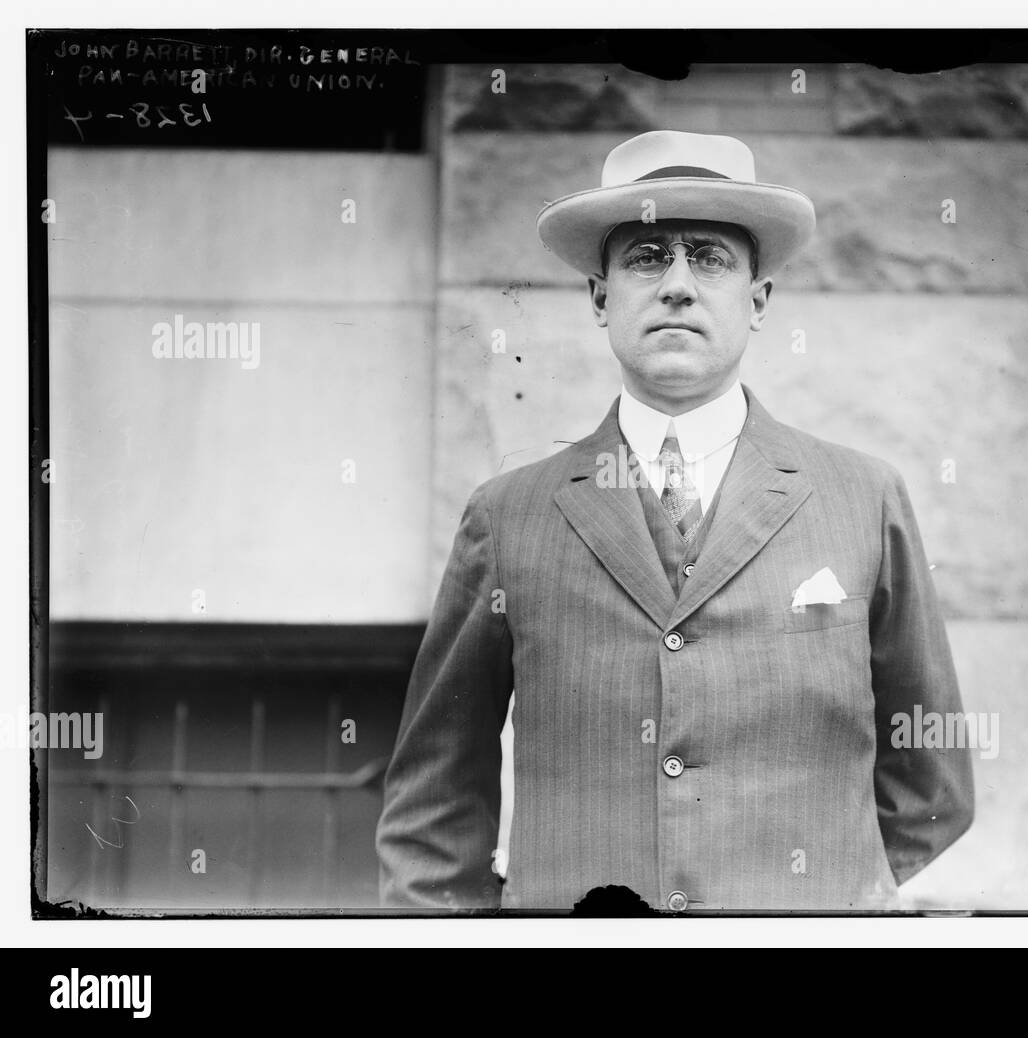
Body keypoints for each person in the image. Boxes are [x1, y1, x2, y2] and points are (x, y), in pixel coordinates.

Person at [376, 129, 975, 912]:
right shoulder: (509, 516)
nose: (679, 287)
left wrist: (835, 891)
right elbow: (432, 800)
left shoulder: (862, 497)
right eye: (648, 257)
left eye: (711, 258)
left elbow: (933, 776)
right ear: (601, 298)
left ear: (758, 301)